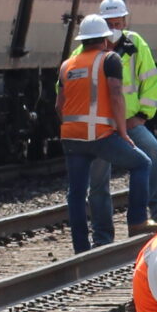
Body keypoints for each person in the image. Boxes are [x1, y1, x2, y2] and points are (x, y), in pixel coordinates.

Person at [58, 14, 135, 253]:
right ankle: (134, 224)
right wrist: (122, 131)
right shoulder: (109, 59)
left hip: (72, 136)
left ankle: (81, 247)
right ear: (104, 39)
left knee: (76, 193)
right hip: (102, 134)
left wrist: (72, 127)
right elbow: (115, 95)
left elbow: (59, 105)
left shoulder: (67, 64)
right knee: (143, 163)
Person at [97, 0, 157, 234]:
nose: (113, 29)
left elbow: (151, 80)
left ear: (125, 22)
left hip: (130, 122)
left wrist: (143, 116)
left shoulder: (136, 44)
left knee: (153, 151)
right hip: (101, 125)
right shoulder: (90, 46)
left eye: (117, 23)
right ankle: (103, 234)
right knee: (98, 177)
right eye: (109, 24)